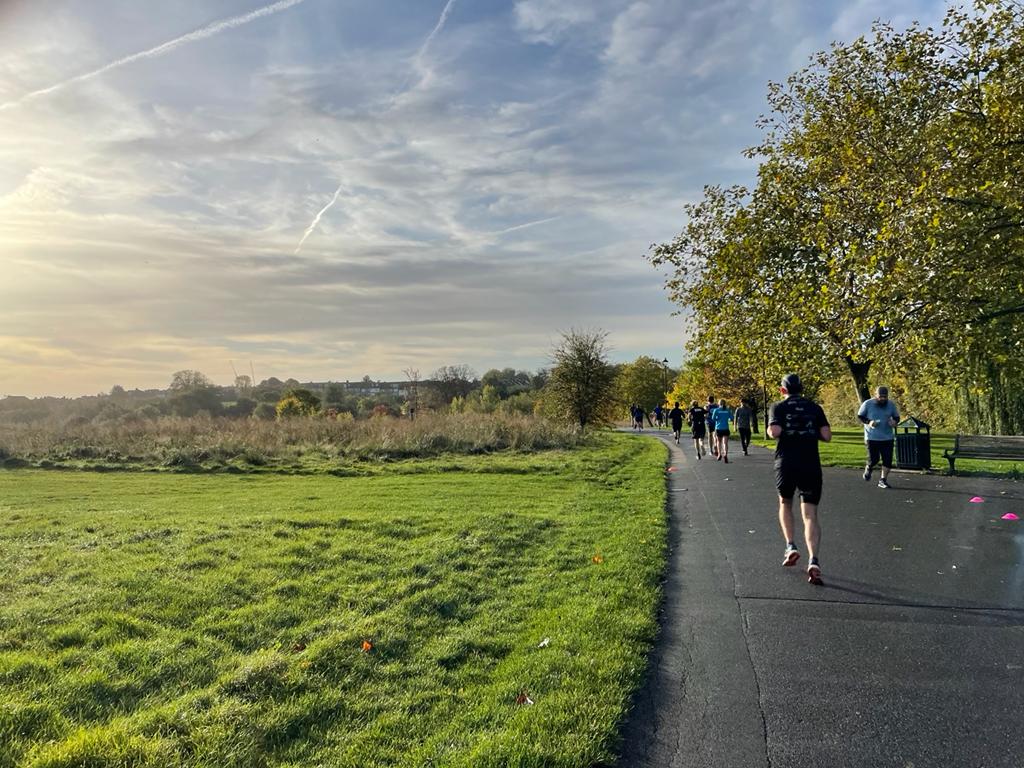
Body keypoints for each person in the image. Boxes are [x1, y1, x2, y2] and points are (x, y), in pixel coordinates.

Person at [769, 373, 832, 585]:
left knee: (785, 503)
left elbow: (775, 431)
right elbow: (827, 435)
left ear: (782, 390)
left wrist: (777, 429)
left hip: (786, 462)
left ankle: (790, 545)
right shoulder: (815, 408)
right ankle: (813, 559)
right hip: (810, 462)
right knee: (810, 514)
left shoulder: (778, 407)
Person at [857, 386, 900, 489]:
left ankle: (883, 480)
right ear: (875, 395)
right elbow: (860, 416)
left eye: (885, 397)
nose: (883, 399)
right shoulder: (868, 403)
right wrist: (869, 422)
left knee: (887, 461)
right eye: (880, 397)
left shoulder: (890, 404)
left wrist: (894, 422)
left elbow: (897, 417)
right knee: (874, 459)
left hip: (887, 437)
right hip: (872, 437)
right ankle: (869, 467)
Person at [712, 398, 733, 463]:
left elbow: (713, 418)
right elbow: (731, 418)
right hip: (726, 428)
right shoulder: (728, 410)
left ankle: (719, 454)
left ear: (719, 403)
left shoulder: (716, 410)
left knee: (719, 442)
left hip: (718, 428)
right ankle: (725, 454)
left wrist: (718, 419)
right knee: (725, 443)